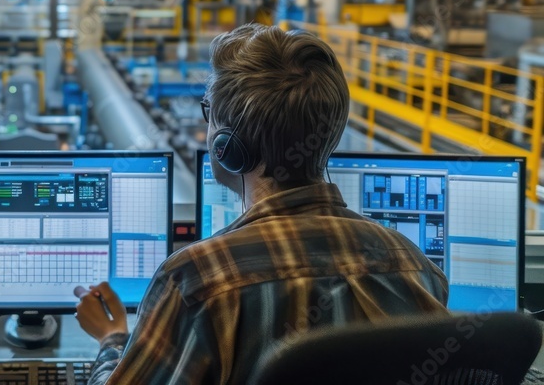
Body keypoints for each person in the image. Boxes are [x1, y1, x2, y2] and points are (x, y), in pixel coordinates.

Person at [74, 24, 448, 385]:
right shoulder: (416, 268)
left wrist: (112, 339)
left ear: (227, 148)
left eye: (209, 114)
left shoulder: (198, 280)